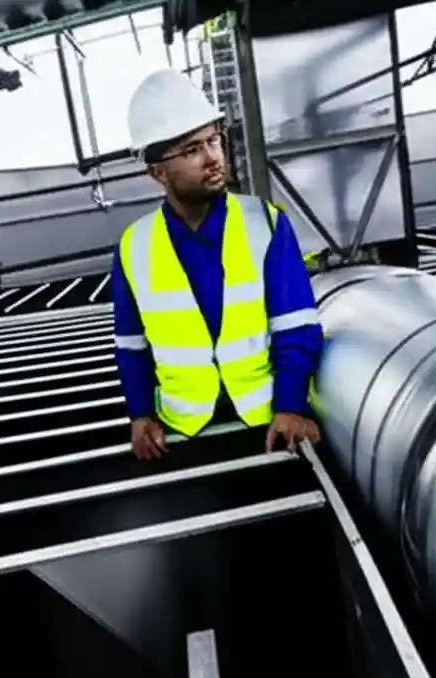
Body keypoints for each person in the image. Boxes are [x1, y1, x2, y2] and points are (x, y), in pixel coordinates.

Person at [111, 68, 324, 460]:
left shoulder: (266, 222)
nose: (213, 158)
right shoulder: (133, 247)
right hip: (182, 434)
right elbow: (131, 346)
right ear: (158, 172)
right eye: (192, 150)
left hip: (267, 424)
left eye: (214, 140)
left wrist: (291, 404)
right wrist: (139, 414)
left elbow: (296, 325)